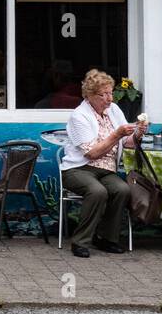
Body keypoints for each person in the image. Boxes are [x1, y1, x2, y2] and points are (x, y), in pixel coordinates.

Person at [60, 69, 141, 258]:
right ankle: (80, 242)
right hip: (78, 169)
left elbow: (127, 144)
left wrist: (138, 133)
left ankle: (106, 238)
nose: (109, 98)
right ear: (89, 95)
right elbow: (92, 153)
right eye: (103, 94)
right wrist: (117, 134)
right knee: (97, 191)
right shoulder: (79, 116)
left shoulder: (113, 110)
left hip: (106, 170)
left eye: (110, 92)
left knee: (122, 190)